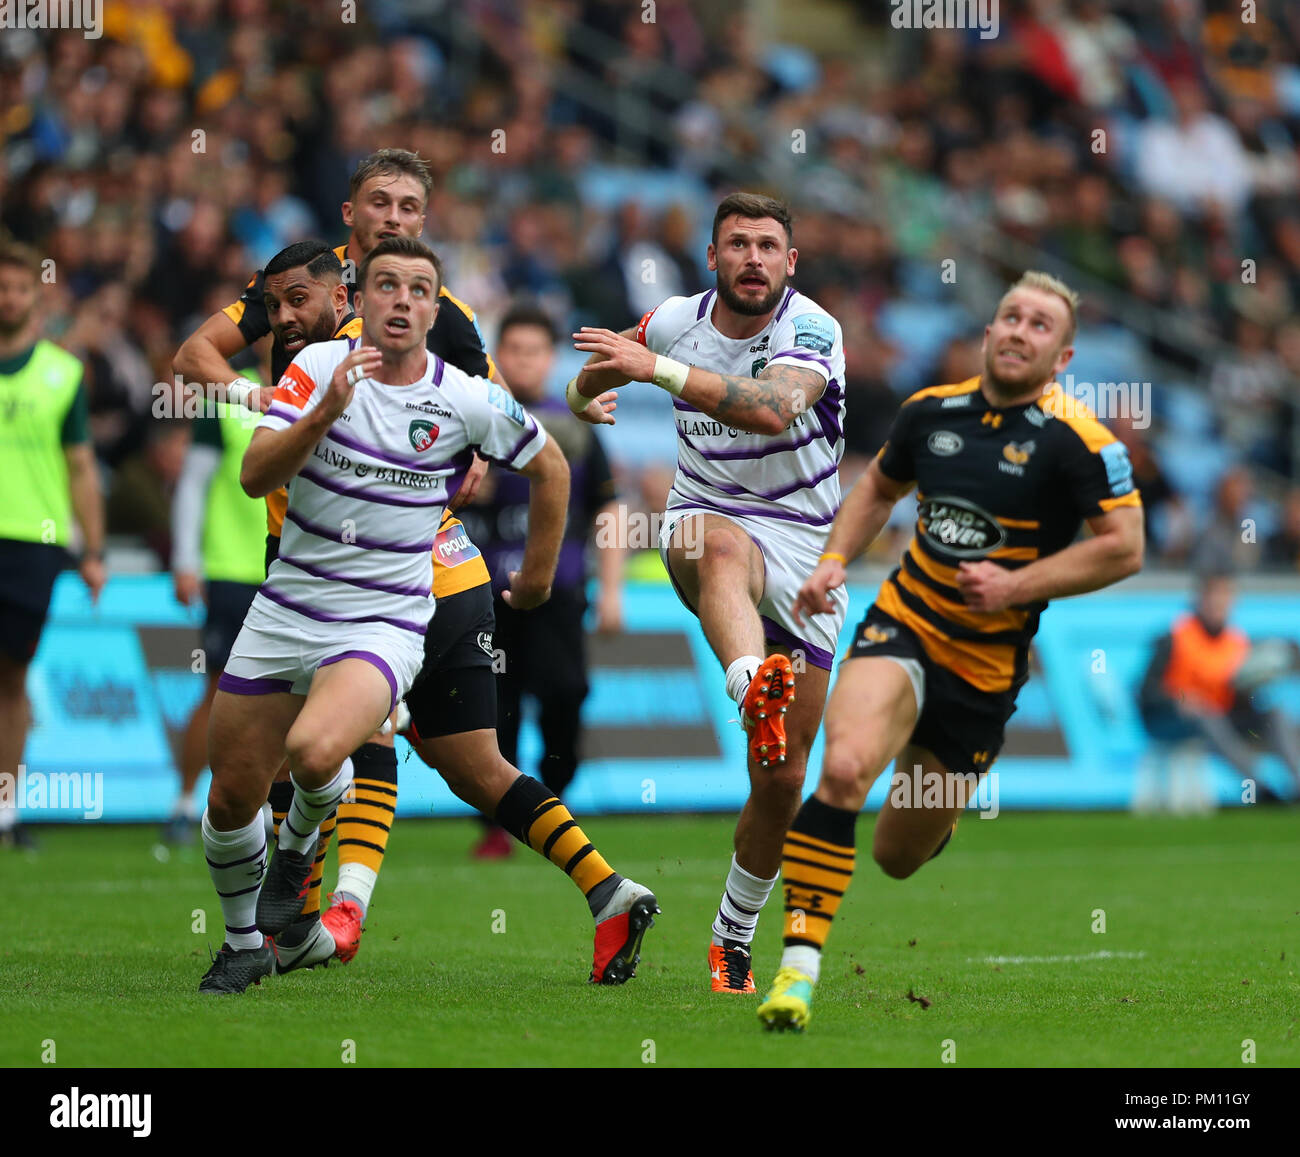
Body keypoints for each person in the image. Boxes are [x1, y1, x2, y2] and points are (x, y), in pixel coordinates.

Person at [176, 152, 613, 965]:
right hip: (292, 552)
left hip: (400, 572)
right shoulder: (299, 289)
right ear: (351, 214)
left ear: (425, 222)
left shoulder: (444, 317)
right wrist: (267, 402)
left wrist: (575, 403)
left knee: (358, 737)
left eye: (410, 206)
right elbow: (193, 359)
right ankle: (290, 923)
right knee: (262, 770)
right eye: (379, 201)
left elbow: (494, 449)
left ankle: (336, 909)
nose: (394, 218)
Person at [754, 272, 1145, 1032]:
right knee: (839, 770)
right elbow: (877, 487)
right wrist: (836, 558)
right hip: (903, 622)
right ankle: (796, 973)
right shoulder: (930, 413)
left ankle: (937, 802)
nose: (1019, 330)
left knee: (898, 854)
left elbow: (1125, 547)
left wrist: (1018, 583)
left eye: (1039, 325)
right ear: (989, 330)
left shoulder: (1079, 441)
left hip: (984, 673)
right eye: (1010, 316)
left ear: (1060, 357)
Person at [569, 192, 848, 994]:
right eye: (738, 244)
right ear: (713, 258)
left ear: (790, 263)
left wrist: (645, 371)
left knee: (784, 781)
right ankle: (747, 683)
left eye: (768, 245)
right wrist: (591, 398)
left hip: (804, 544)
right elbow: (595, 372)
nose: (753, 258)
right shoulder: (675, 320)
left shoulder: (812, 329)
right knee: (721, 542)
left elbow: (772, 410)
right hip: (705, 519)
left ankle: (732, 932)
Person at [459, 303, 625, 859]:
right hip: (480, 592)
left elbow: (609, 507)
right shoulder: (470, 417)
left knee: (565, 695)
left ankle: (551, 802)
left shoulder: (577, 424)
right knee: (492, 707)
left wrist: (615, 590)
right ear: (497, 356)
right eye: (513, 351)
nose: (523, 361)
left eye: (534, 351)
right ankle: (498, 825)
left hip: (557, 588)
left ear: (550, 358)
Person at [0, 241, 106, 851]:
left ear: (35, 301)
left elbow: (82, 467)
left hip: (33, 545)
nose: (9, 298)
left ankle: (6, 810)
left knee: (12, 680)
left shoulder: (62, 375)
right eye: (3, 288)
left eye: (20, 289)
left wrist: (92, 551)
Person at [167, 366, 268, 845]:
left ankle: (271, 810)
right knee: (216, 693)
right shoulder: (229, 395)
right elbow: (193, 482)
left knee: (289, 700)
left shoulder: (324, 386)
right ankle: (185, 803)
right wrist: (186, 558)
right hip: (231, 570)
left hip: (294, 572)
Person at [1138, 569, 1300, 808]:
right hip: (1171, 721)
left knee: (1274, 714)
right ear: (1199, 599)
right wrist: (1178, 700)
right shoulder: (1176, 637)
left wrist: (1261, 680)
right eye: (1213, 596)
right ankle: (1261, 790)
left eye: (1225, 596)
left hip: (1223, 716)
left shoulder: (1238, 643)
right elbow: (1146, 693)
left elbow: (1239, 698)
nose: (1218, 603)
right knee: (1208, 716)